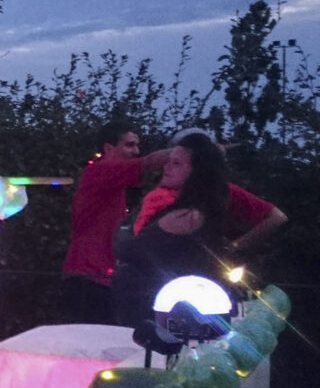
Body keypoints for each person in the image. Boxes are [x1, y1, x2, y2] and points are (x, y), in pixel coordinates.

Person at [111, 132, 286, 327]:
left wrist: (235, 246)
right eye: (168, 161)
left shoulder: (190, 215)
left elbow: (129, 249)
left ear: (198, 171)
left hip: (157, 315)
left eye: (176, 163)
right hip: (151, 309)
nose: (166, 167)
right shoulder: (169, 201)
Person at [61, 120, 170, 324]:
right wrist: (190, 152)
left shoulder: (110, 180)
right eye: (129, 145)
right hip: (90, 277)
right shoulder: (100, 171)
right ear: (109, 148)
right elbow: (148, 163)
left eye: (137, 145)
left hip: (98, 277)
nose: (136, 151)